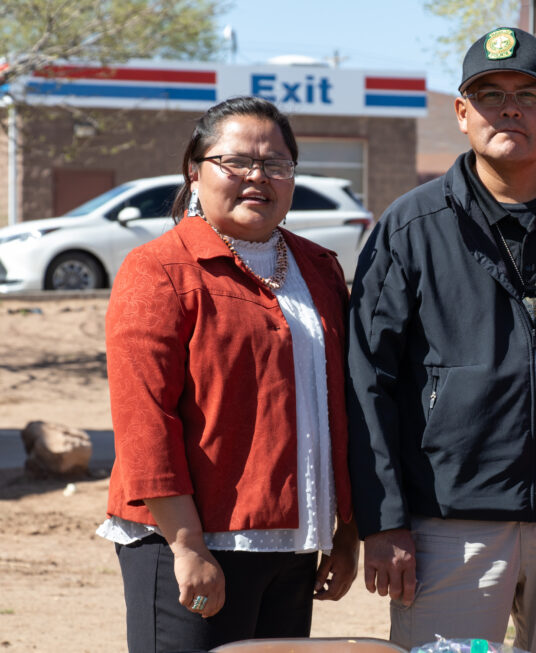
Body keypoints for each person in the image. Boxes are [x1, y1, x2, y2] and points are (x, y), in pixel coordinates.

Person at [346, 26, 536, 653]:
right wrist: (383, 521)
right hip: (447, 526)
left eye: (529, 93)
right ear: (462, 113)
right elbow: (367, 381)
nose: (509, 108)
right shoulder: (410, 228)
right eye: (489, 94)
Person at [98, 96, 359, 652]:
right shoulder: (159, 269)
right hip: (190, 545)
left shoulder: (318, 269)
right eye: (234, 162)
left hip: (293, 545)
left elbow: (341, 407)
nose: (257, 177)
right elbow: (145, 419)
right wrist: (188, 544)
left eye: (276, 164)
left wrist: (347, 529)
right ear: (194, 171)